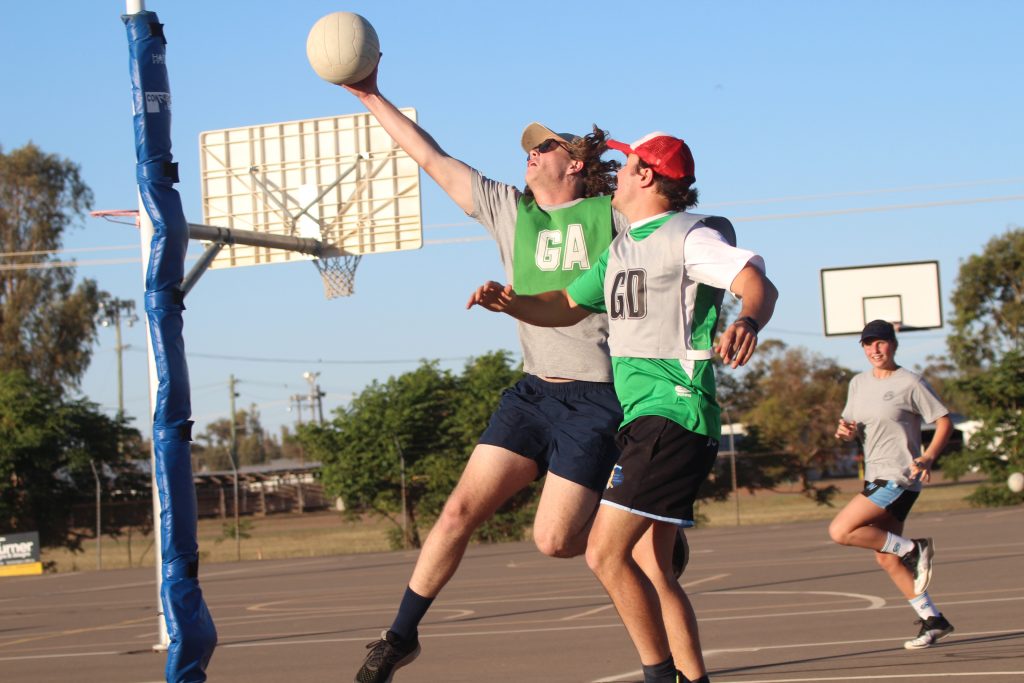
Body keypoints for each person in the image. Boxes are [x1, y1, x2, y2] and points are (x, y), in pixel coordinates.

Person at [339, 62, 637, 683]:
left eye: (543, 145)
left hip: (597, 399)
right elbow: (431, 157)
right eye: (528, 147)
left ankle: (640, 537)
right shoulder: (509, 210)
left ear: (576, 161)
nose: (529, 153)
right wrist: (369, 93)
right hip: (532, 392)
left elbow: (680, 229)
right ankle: (399, 639)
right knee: (457, 513)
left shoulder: (615, 216)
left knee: (555, 543)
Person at [468, 131, 778, 683]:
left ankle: (660, 677)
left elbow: (756, 282)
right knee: (650, 569)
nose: (615, 168)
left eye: (628, 161)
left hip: (674, 413)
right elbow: (564, 304)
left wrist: (747, 318)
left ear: (646, 177)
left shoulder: (687, 237)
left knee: (605, 555)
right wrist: (511, 302)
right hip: (644, 421)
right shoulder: (621, 248)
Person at [829, 319, 955, 649]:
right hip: (877, 476)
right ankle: (933, 619)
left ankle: (915, 549)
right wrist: (846, 433)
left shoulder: (910, 383)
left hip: (898, 477)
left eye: (881, 342)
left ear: (893, 344)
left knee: (840, 531)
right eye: (868, 344)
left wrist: (927, 458)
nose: (875, 349)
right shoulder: (857, 384)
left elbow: (944, 422)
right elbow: (852, 426)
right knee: (885, 556)